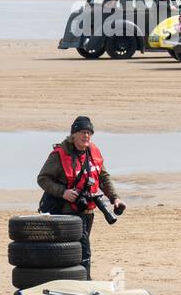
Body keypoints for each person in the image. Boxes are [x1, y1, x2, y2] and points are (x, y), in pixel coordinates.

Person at [36, 116, 124, 279]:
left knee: (77, 247)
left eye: (89, 133)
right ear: (73, 135)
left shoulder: (93, 152)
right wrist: (63, 192)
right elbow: (43, 179)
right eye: (83, 132)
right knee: (83, 248)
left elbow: (103, 176)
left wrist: (115, 198)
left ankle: (74, 280)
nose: (86, 136)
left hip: (87, 211)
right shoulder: (59, 154)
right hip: (66, 212)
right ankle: (85, 282)